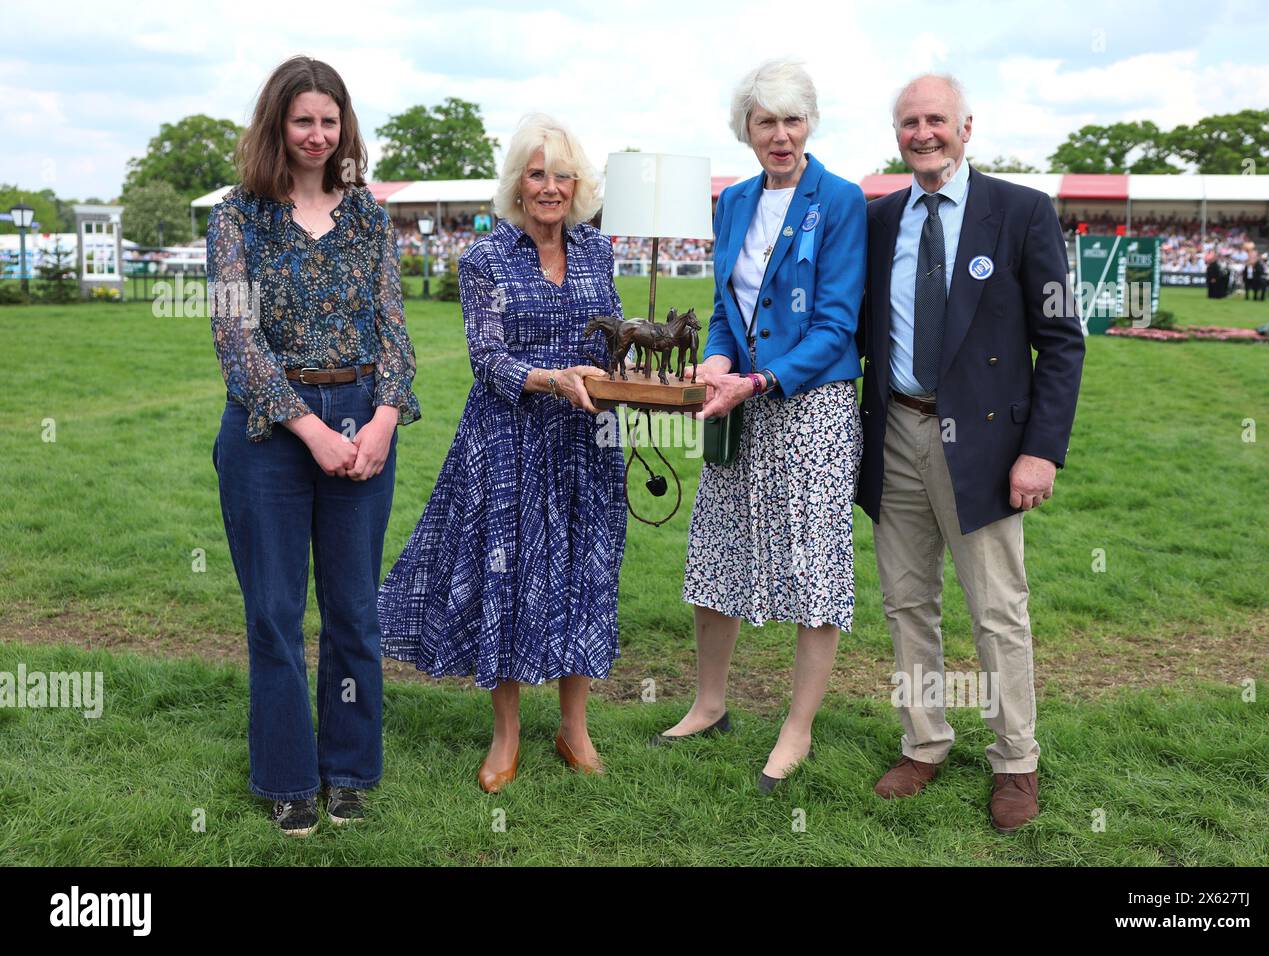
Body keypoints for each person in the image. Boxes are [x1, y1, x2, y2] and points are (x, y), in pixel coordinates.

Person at [856, 74, 1084, 833]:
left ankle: (1015, 760)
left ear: (966, 127)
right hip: (895, 432)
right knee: (906, 603)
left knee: (997, 610)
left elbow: (1060, 342)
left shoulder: (1021, 212)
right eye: (909, 122)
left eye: (936, 120)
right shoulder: (879, 219)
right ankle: (924, 741)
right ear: (898, 134)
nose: (923, 133)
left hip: (986, 443)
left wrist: (1041, 452)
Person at [378, 115, 624, 793]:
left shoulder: (601, 252)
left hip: (589, 443)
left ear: (579, 185)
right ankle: (507, 732)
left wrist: (619, 379)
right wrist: (554, 380)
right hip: (510, 440)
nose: (550, 187)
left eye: (562, 175)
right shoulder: (486, 259)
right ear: (518, 183)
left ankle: (574, 728)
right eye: (537, 173)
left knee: (584, 573)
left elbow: (613, 339)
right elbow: (486, 358)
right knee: (507, 579)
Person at [208, 56, 420, 836]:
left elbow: (394, 326)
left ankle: (351, 772)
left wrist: (383, 419)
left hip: (364, 416)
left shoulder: (367, 215)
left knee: (354, 612)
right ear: (277, 123)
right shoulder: (237, 218)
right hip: (269, 432)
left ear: (344, 128)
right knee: (273, 613)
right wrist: (308, 429)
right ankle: (289, 778)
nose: (317, 135)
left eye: (329, 121)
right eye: (303, 120)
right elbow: (236, 335)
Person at [652, 59, 867, 796]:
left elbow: (839, 324)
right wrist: (716, 361)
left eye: (793, 120)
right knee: (715, 553)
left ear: (811, 123)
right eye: (765, 121)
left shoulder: (840, 201)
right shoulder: (735, 201)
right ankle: (710, 704)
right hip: (734, 403)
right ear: (745, 129)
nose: (780, 135)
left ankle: (797, 729)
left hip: (810, 409)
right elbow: (721, 307)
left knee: (812, 566)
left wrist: (757, 380)